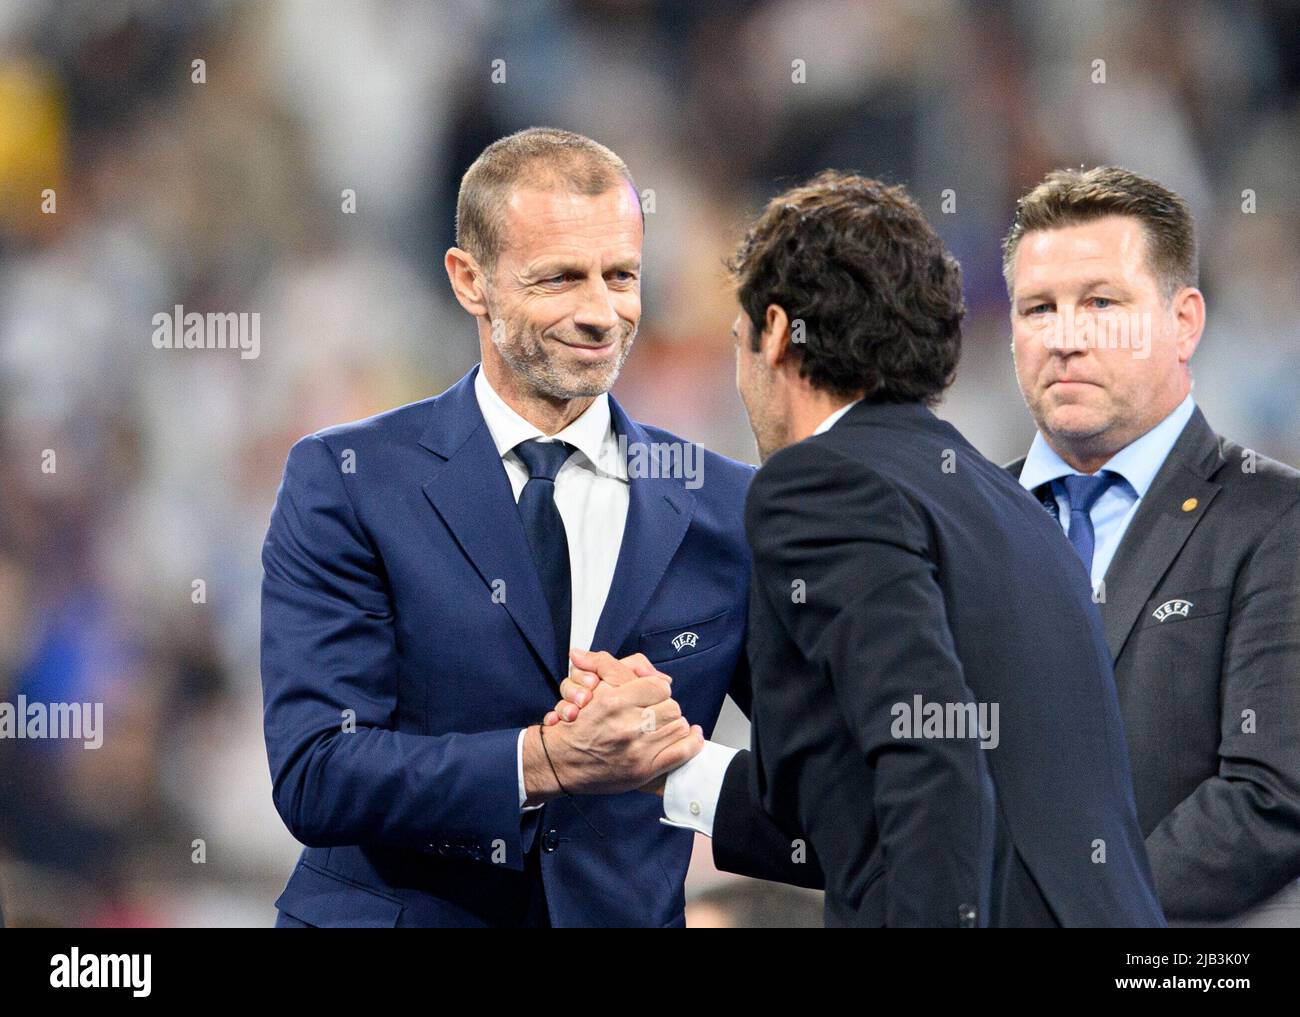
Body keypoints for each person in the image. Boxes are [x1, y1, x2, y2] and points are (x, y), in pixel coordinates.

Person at [550, 171, 1165, 927]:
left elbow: (932, 759)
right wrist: (667, 764)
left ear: (776, 333)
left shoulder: (817, 482)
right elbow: (857, 812)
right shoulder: (1011, 502)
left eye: (738, 342)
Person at [260, 127, 761, 927]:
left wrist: (680, 764)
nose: (601, 313)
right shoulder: (349, 480)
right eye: (560, 278)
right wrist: (544, 760)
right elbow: (317, 771)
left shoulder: (725, 505)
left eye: (621, 276)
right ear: (470, 280)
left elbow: (815, 785)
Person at [1003, 166, 1300, 925]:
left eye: (1101, 302)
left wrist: (1064, 910)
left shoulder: (1276, 520)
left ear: (1185, 320)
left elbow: (1271, 798)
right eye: (1039, 307)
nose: (1065, 337)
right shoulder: (955, 524)